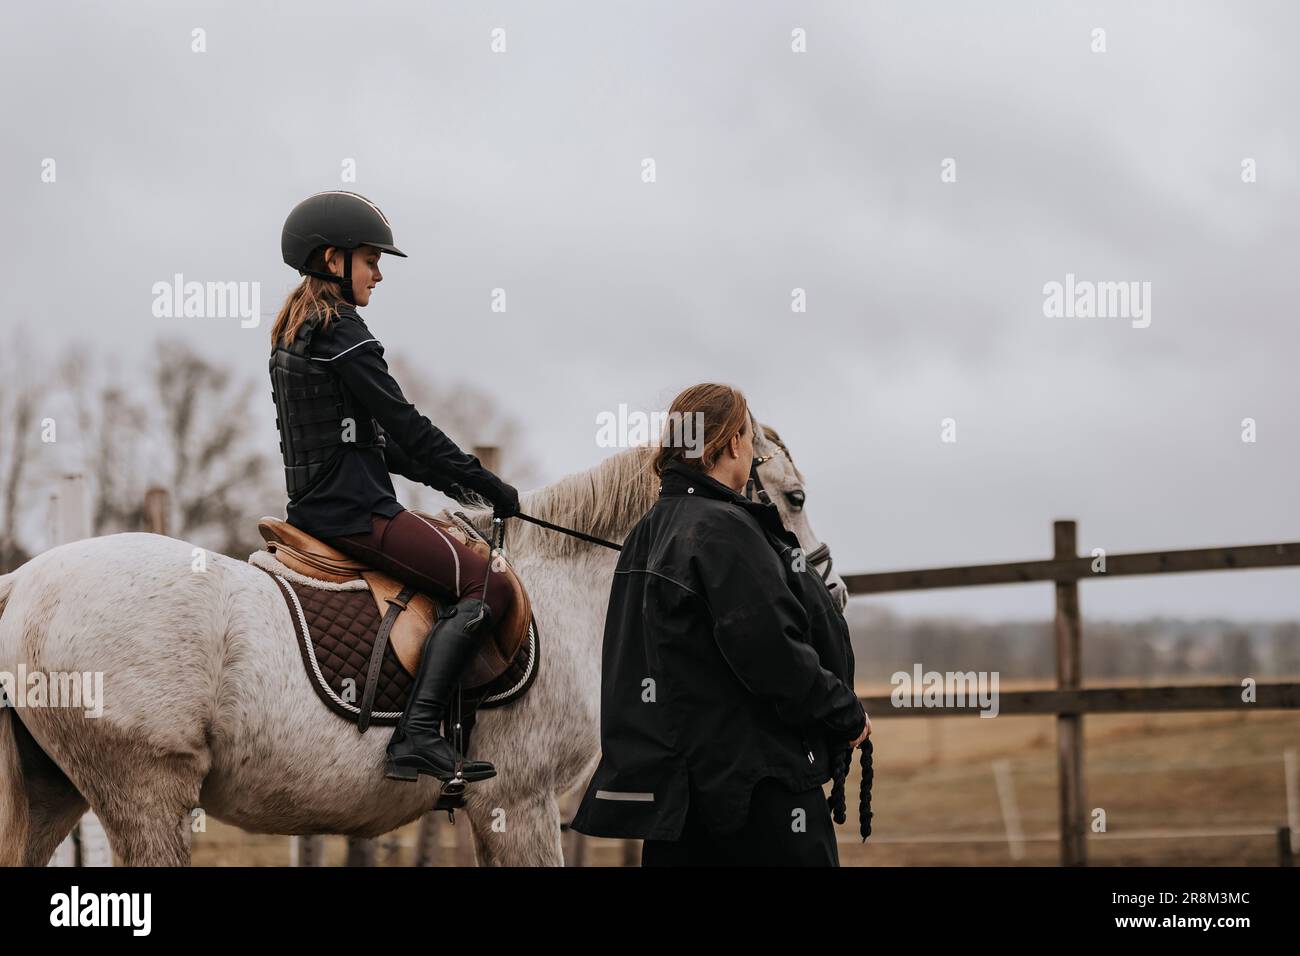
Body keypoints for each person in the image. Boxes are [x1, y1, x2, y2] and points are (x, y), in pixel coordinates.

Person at [269, 190, 521, 785]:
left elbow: (384, 443)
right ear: (334, 259)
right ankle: (418, 732)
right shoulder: (343, 332)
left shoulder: (299, 327)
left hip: (317, 506)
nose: (379, 273)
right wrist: (485, 479)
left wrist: (469, 489)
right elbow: (407, 424)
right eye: (371, 260)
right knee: (489, 587)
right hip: (354, 513)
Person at [569, 383, 871, 866]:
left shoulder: (646, 534)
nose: (752, 453)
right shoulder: (724, 531)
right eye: (750, 438)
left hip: (680, 802)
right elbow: (773, 654)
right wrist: (845, 713)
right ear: (732, 443)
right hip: (756, 796)